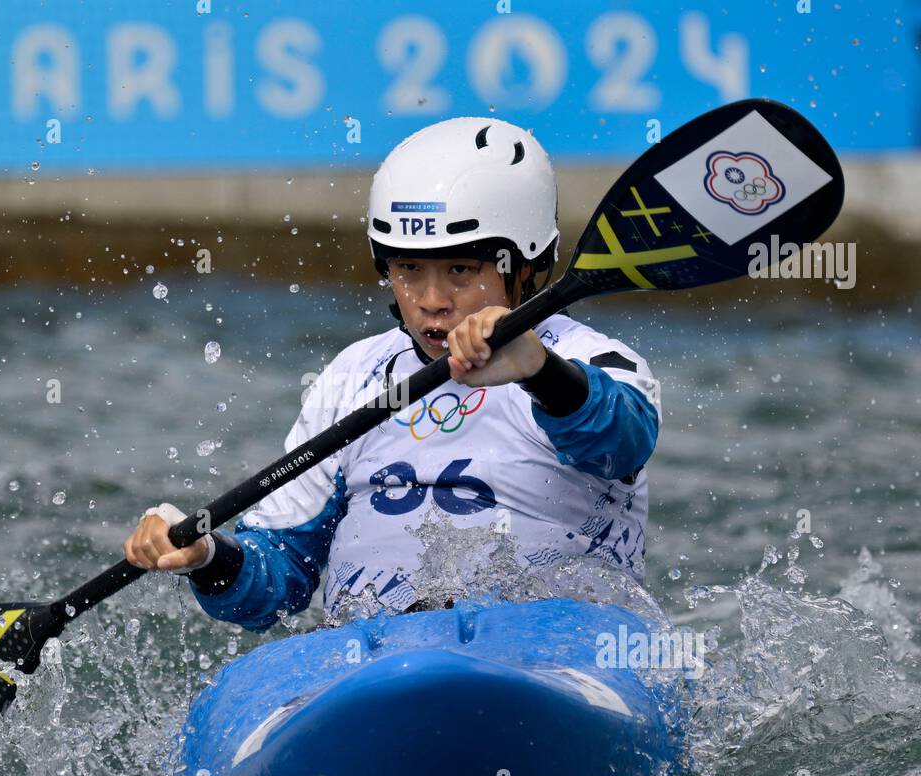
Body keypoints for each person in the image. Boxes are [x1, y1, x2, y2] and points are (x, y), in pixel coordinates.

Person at [124, 117, 661, 631]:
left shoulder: (591, 361)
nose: (431, 302)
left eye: (460, 269)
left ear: (525, 265)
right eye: (408, 269)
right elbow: (279, 580)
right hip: (379, 661)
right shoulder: (354, 375)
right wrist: (208, 557)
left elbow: (622, 440)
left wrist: (539, 372)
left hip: (553, 654)